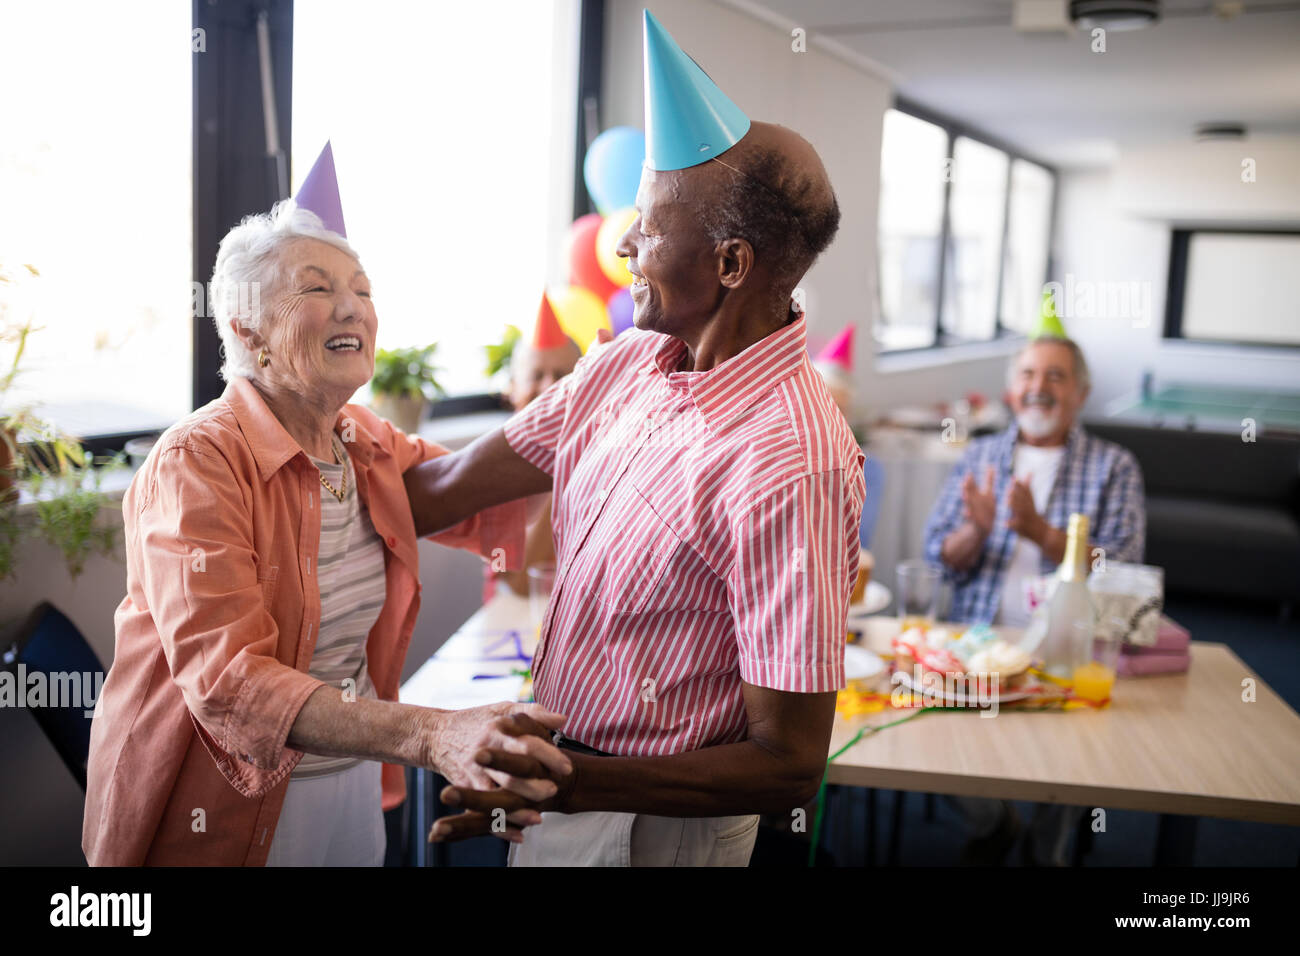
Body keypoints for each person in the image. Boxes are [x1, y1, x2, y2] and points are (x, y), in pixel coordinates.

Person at [402, 11, 865, 866]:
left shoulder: (792, 457)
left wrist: (570, 784)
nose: (622, 246)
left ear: (731, 264)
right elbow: (435, 492)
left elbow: (789, 762)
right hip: (560, 790)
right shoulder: (626, 365)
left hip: (658, 828)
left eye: (648, 228)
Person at [83, 159, 570, 866]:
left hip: (349, 784)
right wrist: (433, 735)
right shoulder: (197, 462)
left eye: (363, 292)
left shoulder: (364, 441)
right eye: (318, 289)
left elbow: (498, 504)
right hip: (220, 800)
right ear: (245, 328)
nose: (353, 309)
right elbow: (229, 685)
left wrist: (600, 414)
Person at [922, 333, 1145, 864]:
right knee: (932, 734)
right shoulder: (980, 454)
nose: (1038, 388)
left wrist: (1042, 533)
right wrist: (974, 532)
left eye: (1055, 376)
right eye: (1027, 375)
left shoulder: (1114, 466)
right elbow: (937, 555)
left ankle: (1048, 853)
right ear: (1010, 389)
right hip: (978, 642)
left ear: (1081, 393)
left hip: (1067, 649)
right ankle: (997, 823)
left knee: (1071, 759)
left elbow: (1126, 570)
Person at [485, 295, 582, 601]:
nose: (550, 388)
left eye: (564, 376)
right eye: (536, 375)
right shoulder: (492, 464)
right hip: (511, 615)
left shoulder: (611, 448)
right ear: (512, 388)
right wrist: (571, 466)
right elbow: (520, 584)